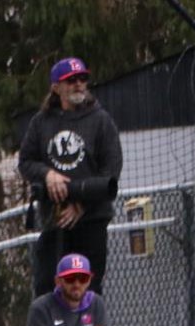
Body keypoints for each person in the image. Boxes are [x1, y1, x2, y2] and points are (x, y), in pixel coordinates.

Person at [17, 57, 122, 297]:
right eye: (71, 80)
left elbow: (111, 170)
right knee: (46, 287)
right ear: (56, 87)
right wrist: (48, 174)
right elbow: (25, 162)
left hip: (91, 221)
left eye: (82, 78)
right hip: (54, 221)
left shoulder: (101, 121)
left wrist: (81, 204)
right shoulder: (41, 123)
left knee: (88, 290)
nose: (78, 84)